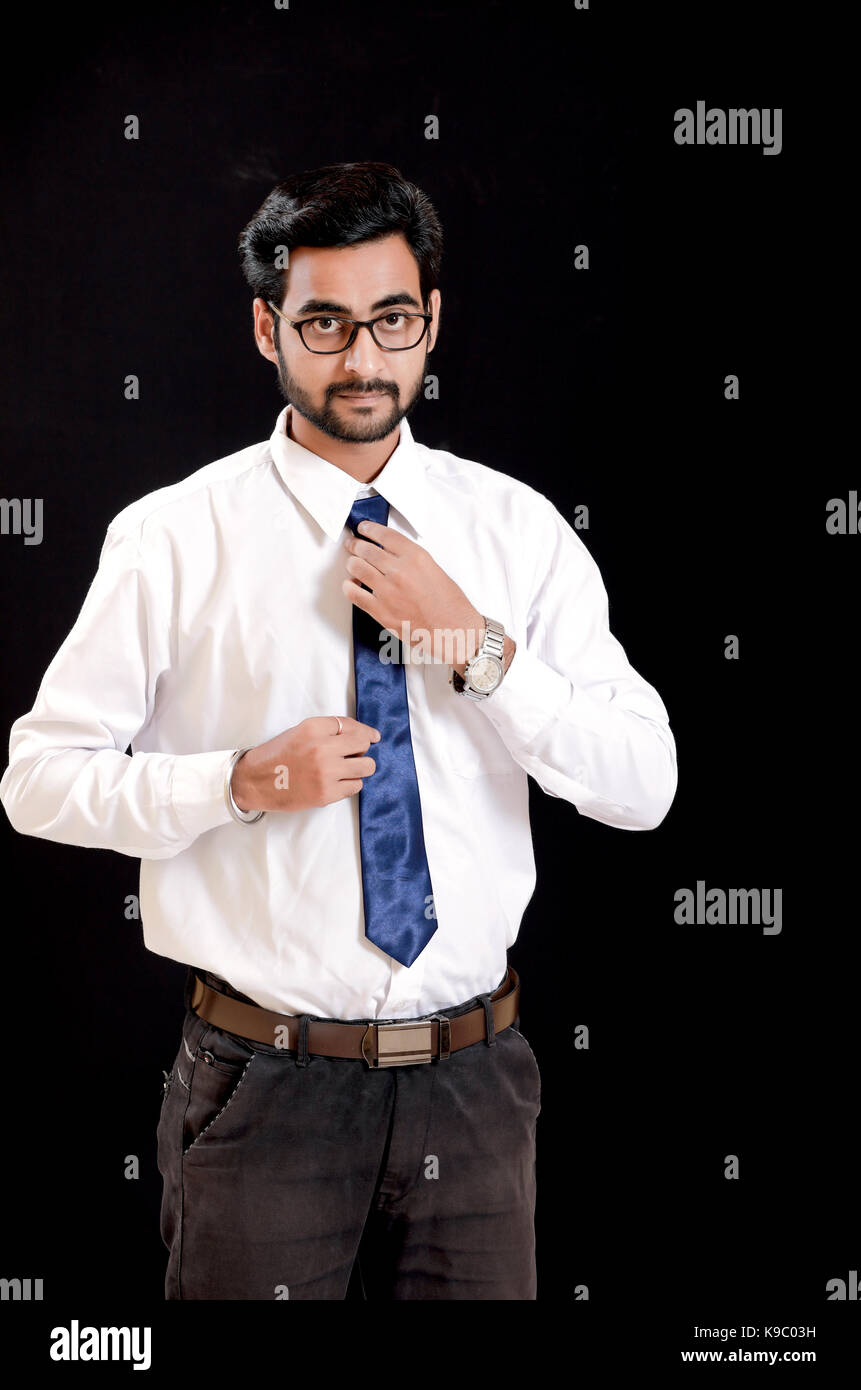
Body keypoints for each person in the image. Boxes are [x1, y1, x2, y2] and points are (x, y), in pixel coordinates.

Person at [0, 160, 677, 1300]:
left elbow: (641, 785)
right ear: (268, 329)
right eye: (324, 323)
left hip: (475, 1085)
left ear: (430, 323)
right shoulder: (172, 536)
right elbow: (38, 780)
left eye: (391, 319)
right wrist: (237, 781)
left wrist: (475, 647)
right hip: (265, 1086)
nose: (362, 358)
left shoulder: (516, 530)